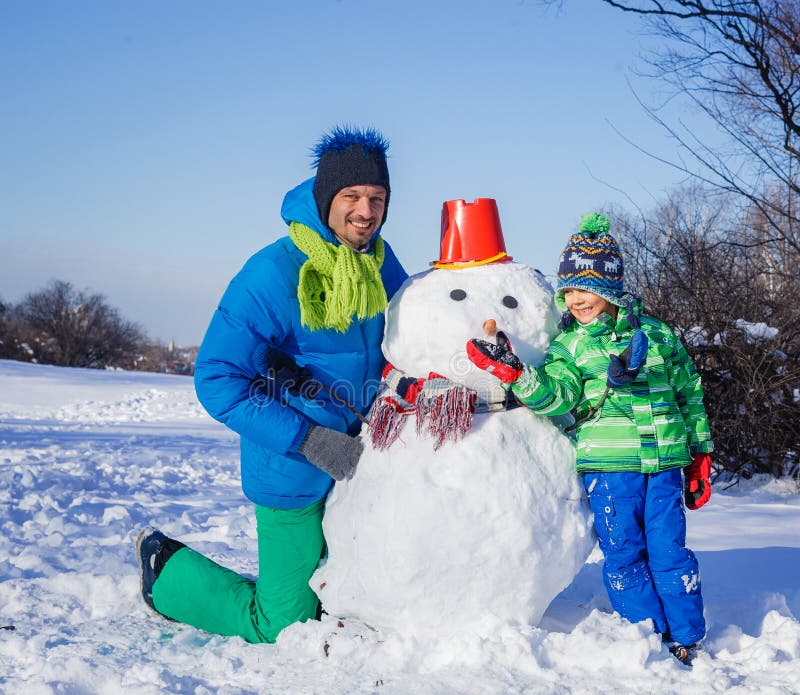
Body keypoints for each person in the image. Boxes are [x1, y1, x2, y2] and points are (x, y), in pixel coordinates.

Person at [135, 125, 408, 643]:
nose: (365, 211)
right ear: (326, 199)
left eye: (377, 197)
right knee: (286, 625)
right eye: (351, 196)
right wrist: (310, 440)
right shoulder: (271, 274)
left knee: (356, 607)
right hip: (293, 470)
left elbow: (410, 341)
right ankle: (166, 573)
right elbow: (217, 380)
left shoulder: (381, 263)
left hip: (365, 466)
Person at [466, 212, 713, 664]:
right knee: (623, 555)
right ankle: (649, 634)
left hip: (663, 468)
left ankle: (687, 636)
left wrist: (700, 453)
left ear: (610, 286)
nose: (577, 299)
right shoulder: (571, 346)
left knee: (669, 551)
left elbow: (689, 393)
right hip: (609, 470)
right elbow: (557, 396)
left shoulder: (656, 335)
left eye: (587, 287)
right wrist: (517, 374)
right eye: (570, 290)